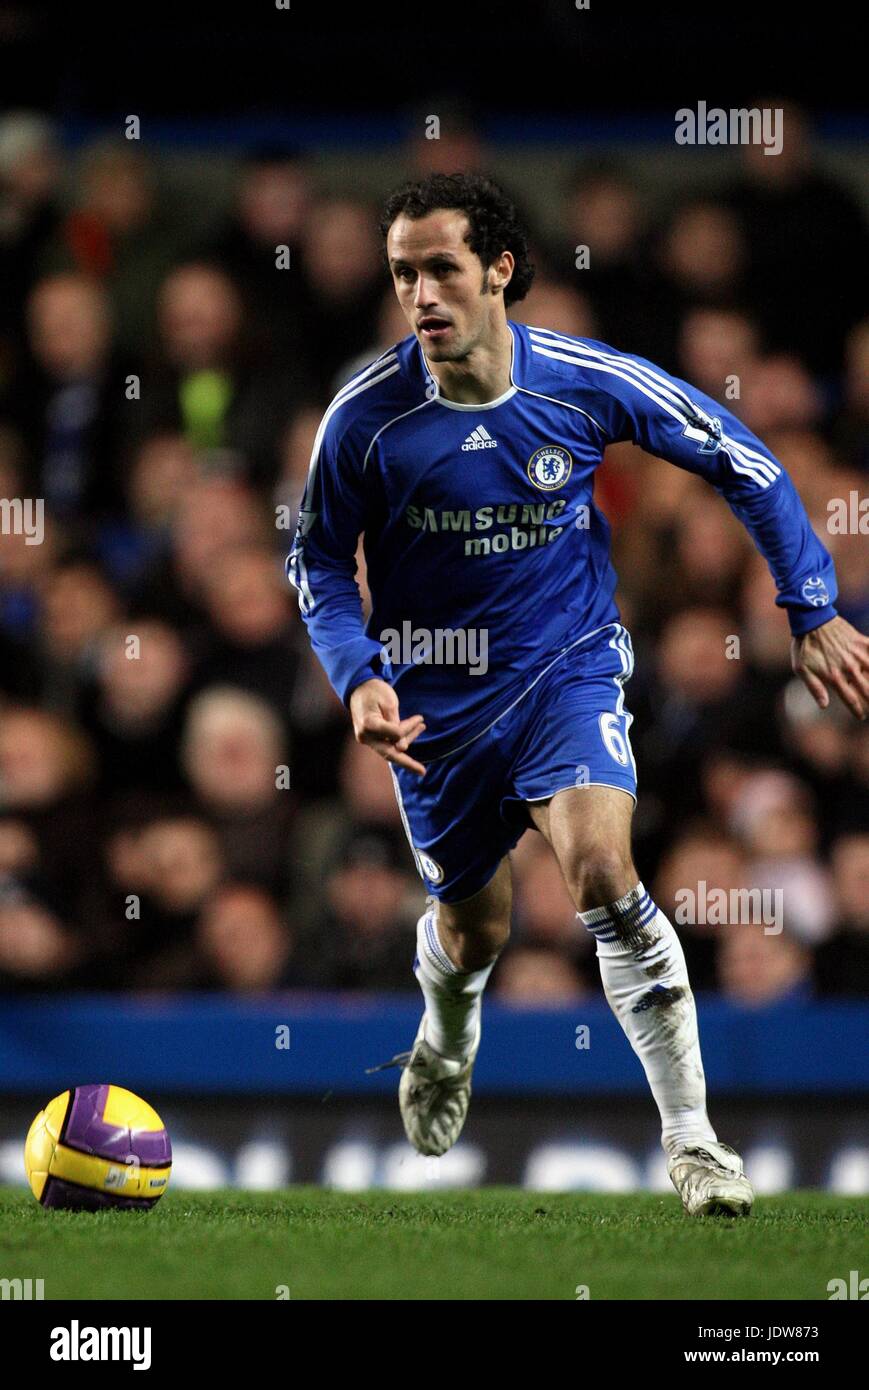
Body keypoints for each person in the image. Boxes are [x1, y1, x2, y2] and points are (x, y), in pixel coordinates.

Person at [287, 172, 869, 1218]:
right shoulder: (365, 420)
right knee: (473, 931)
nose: (419, 295)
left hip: (567, 669)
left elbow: (742, 460)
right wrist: (360, 678)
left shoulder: (584, 381)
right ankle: (447, 1033)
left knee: (601, 871)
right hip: (433, 703)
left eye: (440, 270)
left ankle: (691, 1141)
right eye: (400, 274)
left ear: (499, 269)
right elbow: (319, 564)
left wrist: (809, 603)